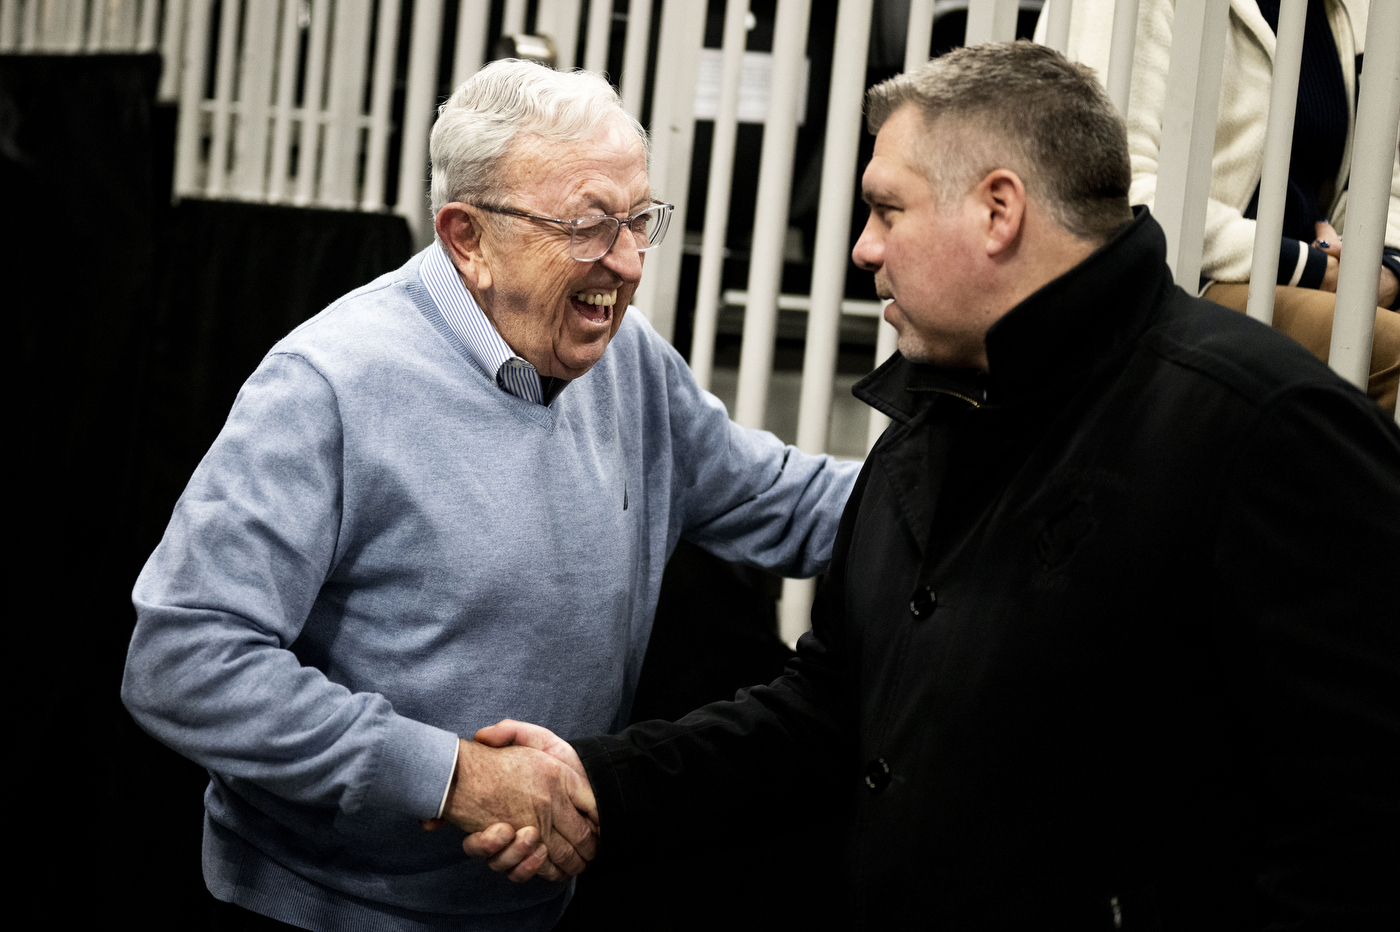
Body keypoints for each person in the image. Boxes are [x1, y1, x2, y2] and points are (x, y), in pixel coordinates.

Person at [464, 43, 1400, 929]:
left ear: (999, 211)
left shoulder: (1265, 430)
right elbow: (830, 712)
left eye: (887, 210)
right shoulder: (937, 414)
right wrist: (602, 785)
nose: (863, 249)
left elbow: (1357, 817)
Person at [121, 60, 859, 932]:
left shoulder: (628, 361)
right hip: (314, 915)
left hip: (533, 913)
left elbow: (787, 501)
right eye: (588, 226)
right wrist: (453, 777)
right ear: (468, 237)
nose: (627, 263)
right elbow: (184, 660)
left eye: (638, 221)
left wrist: (974, 486)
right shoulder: (329, 384)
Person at [1038, 0, 1400, 412]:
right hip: (1181, 275)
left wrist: (1385, 270)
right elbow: (1111, 189)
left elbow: (1385, 178)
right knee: (1389, 347)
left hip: (1302, 274)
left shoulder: (1353, 11)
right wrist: (1311, 267)